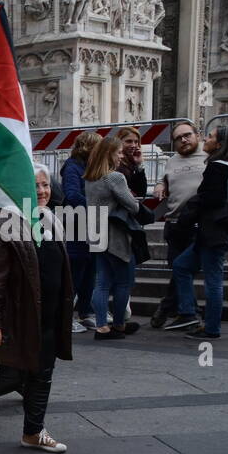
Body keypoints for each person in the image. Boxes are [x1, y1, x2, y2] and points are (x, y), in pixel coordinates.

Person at [0, 164, 72, 454]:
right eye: (35, 185)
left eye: (45, 185)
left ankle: (33, 432)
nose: (42, 191)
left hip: (48, 313)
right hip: (15, 315)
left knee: (43, 373)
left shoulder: (50, 220)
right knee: (13, 376)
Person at [167, 124, 228, 340]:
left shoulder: (217, 167)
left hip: (215, 234)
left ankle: (211, 328)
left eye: (210, 137)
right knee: (182, 265)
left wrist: (184, 220)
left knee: (213, 280)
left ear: (219, 144)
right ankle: (187, 312)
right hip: (220, 232)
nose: (206, 140)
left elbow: (206, 200)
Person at [150, 121, 209, 327]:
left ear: (197, 135)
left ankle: (174, 309)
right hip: (174, 224)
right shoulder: (171, 161)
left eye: (187, 135)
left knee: (184, 268)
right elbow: (162, 179)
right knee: (178, 269)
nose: (183, 140)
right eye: (178, 138)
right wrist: (159, 184)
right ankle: (186, 309)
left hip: (198, 224)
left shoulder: (209, 157)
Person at [84, 135, 142, 340]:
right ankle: (118, 324)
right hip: (115, 234)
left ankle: (101, 326)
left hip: (95, 233)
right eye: (118, 152)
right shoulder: (114, 177)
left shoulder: (89, 178)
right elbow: (133, 206)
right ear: (109, 154)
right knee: (124, 281)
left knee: (101, 282)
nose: (121, 156)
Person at [61, 130, 100, 332]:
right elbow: (72, 195)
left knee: (90, 270)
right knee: (75, 271)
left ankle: (86, 311)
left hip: (93, 224)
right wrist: (97, 206)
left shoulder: (92, 167)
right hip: (78, 224)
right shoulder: (72, 167)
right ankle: (66, 316)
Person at [115, 126, 148, 197]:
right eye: (129, 141)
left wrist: (139, 165)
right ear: (118, 142)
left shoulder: (132, 161)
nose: (133, 145)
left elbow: (141, 193)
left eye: (136, 142)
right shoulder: (116, 163)